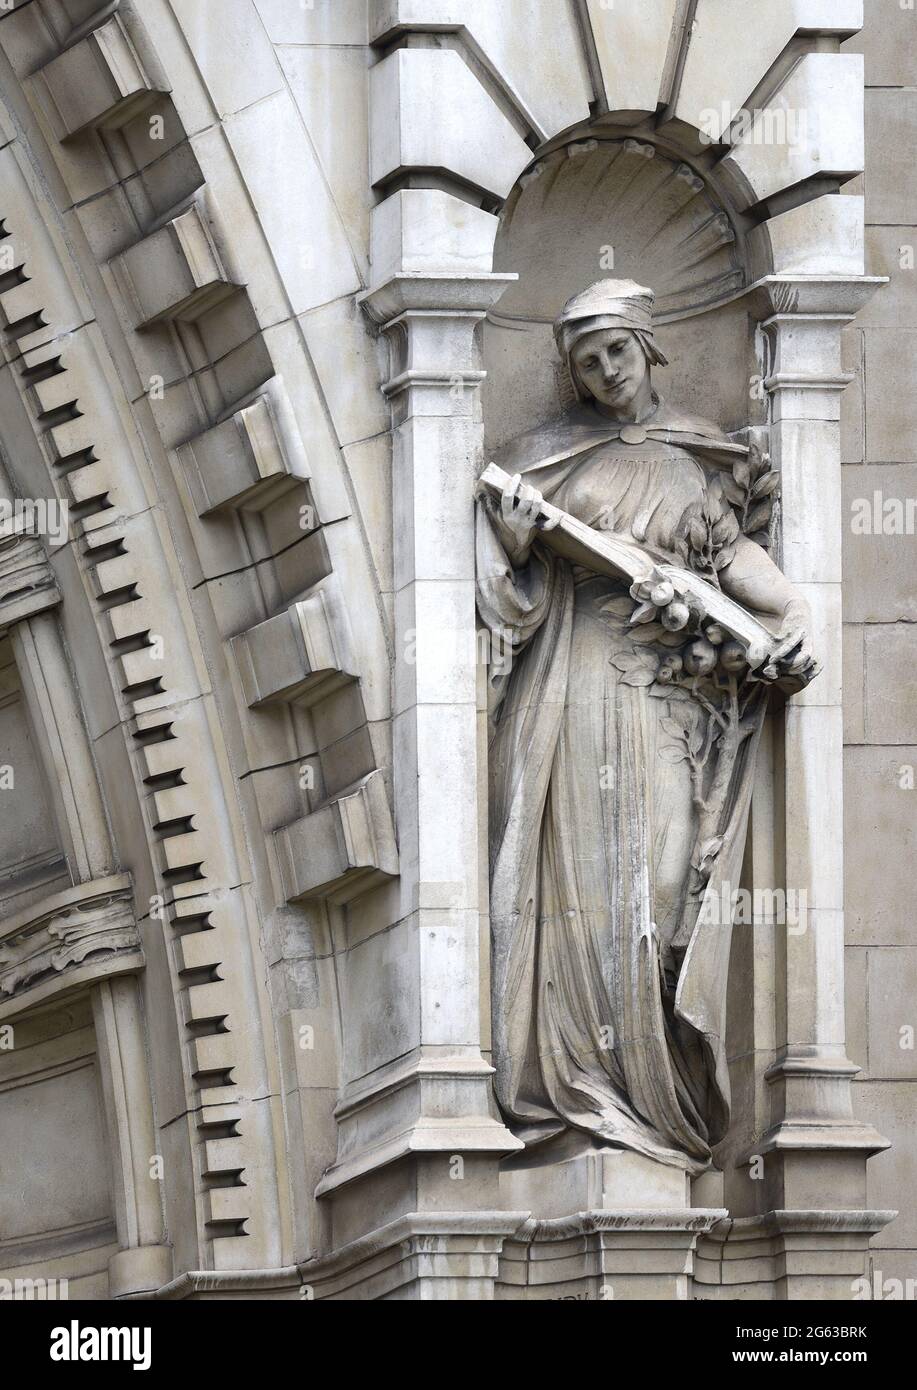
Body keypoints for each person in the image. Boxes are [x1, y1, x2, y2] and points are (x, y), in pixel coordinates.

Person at [476, 279, 818, 1173]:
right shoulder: (546, 461)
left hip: (670, 704)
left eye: (616, 352)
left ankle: (652, 1092)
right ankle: (586, 1094)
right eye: (586, 363)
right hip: (581, 686)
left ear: (648, 345)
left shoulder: (690, 462)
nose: (604, 373)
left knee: (662, 892)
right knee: (586, 889)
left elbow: (753, 581)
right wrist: (513, 554)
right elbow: (510, 602)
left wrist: (782, 630)